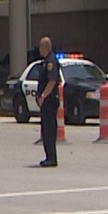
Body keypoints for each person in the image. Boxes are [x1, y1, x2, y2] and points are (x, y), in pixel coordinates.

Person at [35, 35, 61, 168]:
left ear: (45, 47)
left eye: (40, 46)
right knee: (45, 130)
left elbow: (52, 81)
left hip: (50, 101)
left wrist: (43, 96)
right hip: (47, 102)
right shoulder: (46, 61)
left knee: (49, 130)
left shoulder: (51, 62)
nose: (39, 49)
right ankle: (48, 156)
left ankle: (51, 158)